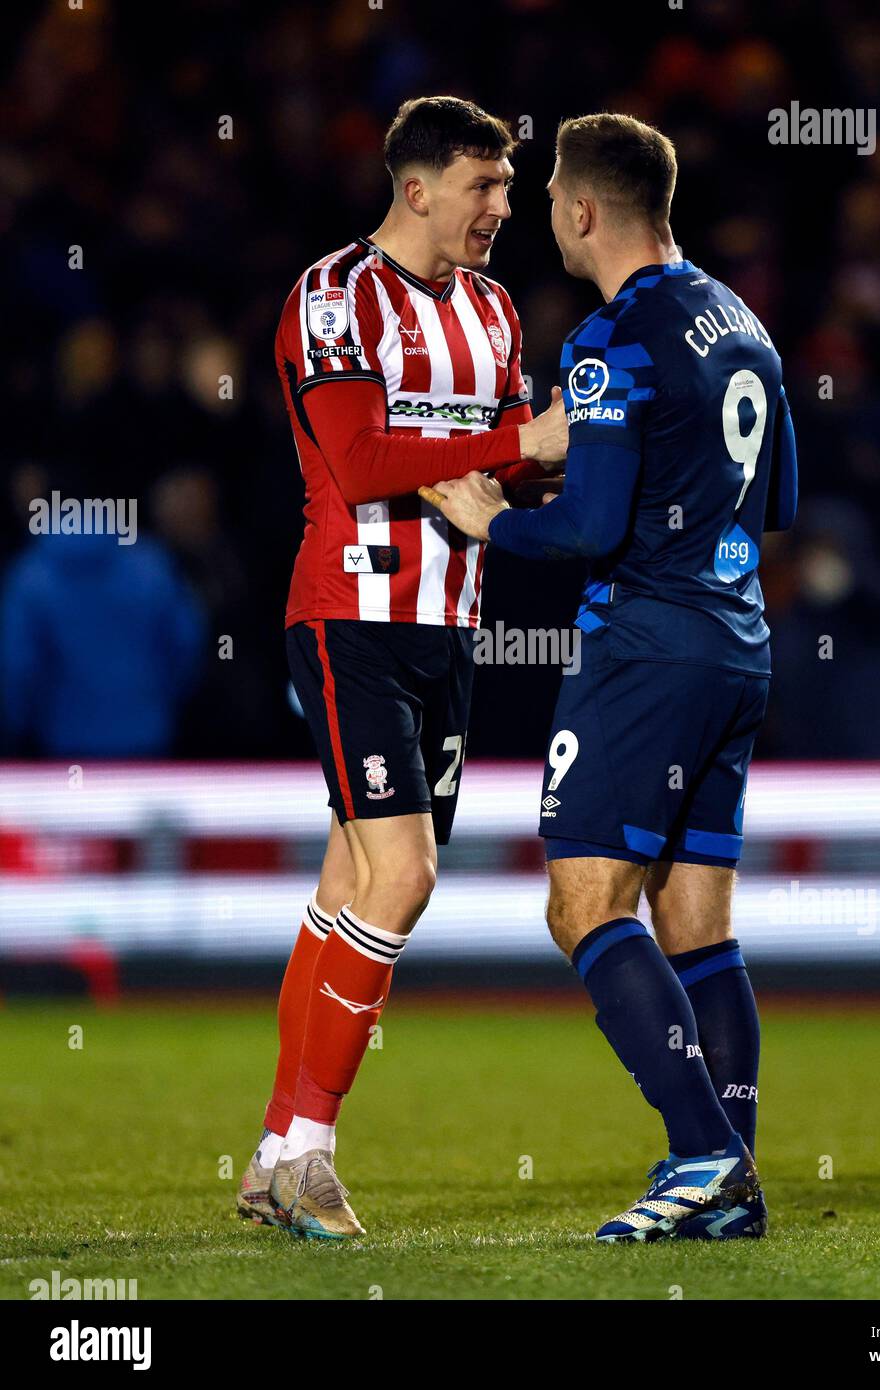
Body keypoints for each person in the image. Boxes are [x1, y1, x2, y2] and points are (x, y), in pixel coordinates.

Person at [427, 113, 797, 1243]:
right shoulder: (742, 324)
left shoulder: (610, 337)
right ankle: (726, 1178)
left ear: (582, 210)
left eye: (544, 198)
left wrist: (491, 520)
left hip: (645, 650)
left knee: (584, 903)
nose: (538, 215)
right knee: (696, 927)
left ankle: (699, 1159)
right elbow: (774, 505)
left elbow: (589, 525)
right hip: (737, 646)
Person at [236, 95, 566, 1240]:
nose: (502, 208)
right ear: (417, 188)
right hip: (348, 617)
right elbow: (362, 455)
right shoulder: (332, 296)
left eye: (509, 188)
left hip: (450, 626)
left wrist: (546, 461)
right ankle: (314, 1157)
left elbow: (515, 468)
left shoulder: (494, 309)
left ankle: (274, 1143)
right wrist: (507, 448)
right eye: (484, 187)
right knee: (404, 876)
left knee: (347, 886)